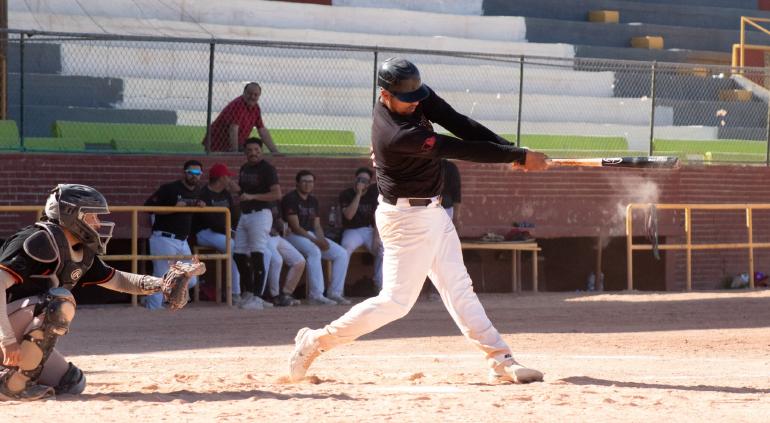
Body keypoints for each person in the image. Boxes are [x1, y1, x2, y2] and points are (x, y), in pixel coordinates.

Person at [288, 57, 549, 384]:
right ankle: (315, 341)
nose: (414, 105)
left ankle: (501, 360)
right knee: (396, 302)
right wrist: (518, 157)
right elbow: (456, 147)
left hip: (434, 212)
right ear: (385, 95)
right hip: (405, 219)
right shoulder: (395, 134)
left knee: (460, 289)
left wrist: (513, 151)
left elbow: (457, 122)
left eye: (416, 98)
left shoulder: (412, 95)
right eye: (405, 100)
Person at [0, 184, 204, 401]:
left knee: (72, 382)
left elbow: (116, 279)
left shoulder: (77, 249)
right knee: (58, 302)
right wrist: (7, 340)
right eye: (91, 216)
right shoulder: (38, 240)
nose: (97, 223)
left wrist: (162, 285)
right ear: (71, 215)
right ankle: (13, 387)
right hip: (4, 332)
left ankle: (11, 377)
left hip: (14, 326)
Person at [282, 170, 350, 306]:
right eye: (304, 181)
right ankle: (316, 294)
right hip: (292, 235)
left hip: (310, 235)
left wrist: (322, 240)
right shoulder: (291, 198)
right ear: (297, 183)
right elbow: (295, 227)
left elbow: (317, 225)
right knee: (314, 251)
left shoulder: (313, 200)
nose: (308, 184)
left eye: (311, 182)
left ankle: (335, 293)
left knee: (341, 253)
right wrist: (316, 241)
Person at [143, 160, 204, 310]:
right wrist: (173, 208)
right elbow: (148, 207)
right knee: (161, 274)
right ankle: (153, 308)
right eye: (191, 172)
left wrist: (202, 205)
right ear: (184, 173)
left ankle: (155, 297)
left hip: (183, 240)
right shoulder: (169, 189)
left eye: (198, 173)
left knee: (192, 279)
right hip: (164, 237)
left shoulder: (198, 190)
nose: (194, 176)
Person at [234, 137, 280, 310]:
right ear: (245, 152)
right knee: (238, 254)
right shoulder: (244, 168)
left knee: (257, 254)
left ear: (261, 151)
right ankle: (249, 292)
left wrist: (252, 197)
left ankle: (258, 297)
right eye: (249, 150)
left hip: (260, 214)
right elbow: (243, 192)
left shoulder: (267, 169)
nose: (253, 153)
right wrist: (235, 189)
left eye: (256, 150)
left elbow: (276, 194)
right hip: (245, 214)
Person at [192, 163, 242, 304]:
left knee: (238, 246)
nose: (229, 180)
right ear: (221, 178)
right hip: (204, 233)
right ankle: (235, 293)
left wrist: (234, 231)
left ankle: (238, 290)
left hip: (223, 232)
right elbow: (210, 222)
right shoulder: (204, 194)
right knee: (232, 245)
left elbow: (232, 215)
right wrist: (230, 233)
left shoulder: (225, 193)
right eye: (227, 177)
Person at [339, 167, 383, 292]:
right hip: (351, 230)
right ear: (355, 179)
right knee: (345, 249)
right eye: (360, 179)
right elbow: (349, 215)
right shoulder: (346, 194)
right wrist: (358, 194)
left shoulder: (373, 194)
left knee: (383, 249)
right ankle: (337, 291)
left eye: (366, 181)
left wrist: (376, 237)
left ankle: (380, 286)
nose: (363, 182)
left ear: (370, 183)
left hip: (369, 230)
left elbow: (378, 216)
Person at [205, 82, 281, 153]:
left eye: (255, 95)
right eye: (249, 94)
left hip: (233, 145)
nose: (252, 97)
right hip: (217, 144)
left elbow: (262, 130)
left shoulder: (256, 108)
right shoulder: (238, 105)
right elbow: (233, 129)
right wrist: (235, 152)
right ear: (244, 93)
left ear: (259, 96)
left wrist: (275, 152)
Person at [264, 205, 304, 307]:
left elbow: (277, 218)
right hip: (264, 237)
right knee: (277, 260)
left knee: (299, 261)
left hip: (277, 236)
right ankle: (274, 296)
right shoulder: (257, 198)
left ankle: (286, 293)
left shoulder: (274, 199)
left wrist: (284, 226)